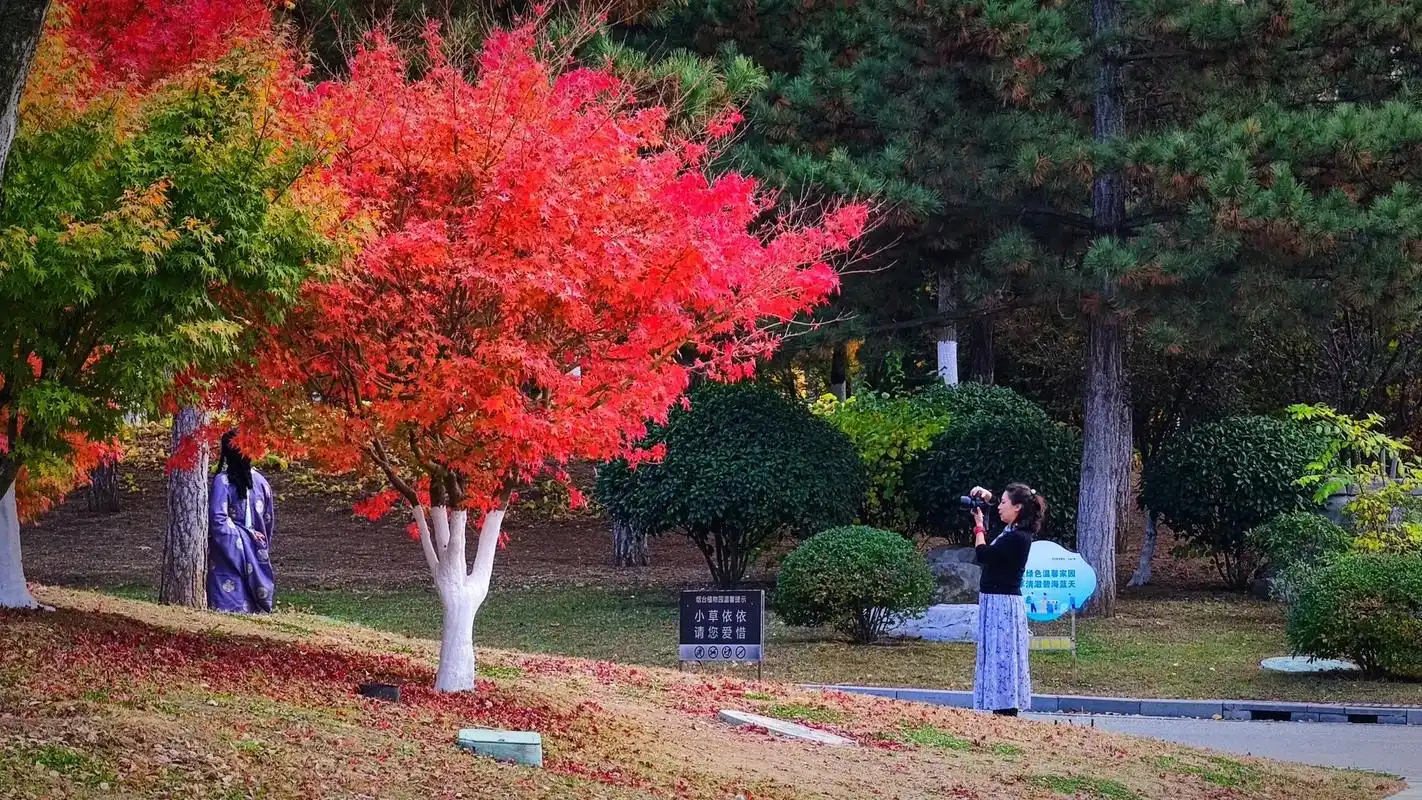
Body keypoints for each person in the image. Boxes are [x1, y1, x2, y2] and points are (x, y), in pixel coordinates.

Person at [967, 482, 1043, 717]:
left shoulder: (1017, 537)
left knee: (1004, 656)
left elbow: (983, 555)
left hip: (1003, 604)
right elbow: (1000, 508)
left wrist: (979, 527)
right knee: (998, 655)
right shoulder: (1015, 530)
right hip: (996, 601)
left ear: (1017, 507)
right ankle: (1000, 705)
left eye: (1003, 503)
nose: (999, 507)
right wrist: (988, 498)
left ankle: (1006, 708)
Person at [207, 430, 277, 613]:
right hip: (254, 551)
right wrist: (256, 543)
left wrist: (241, 541)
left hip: (225, 553)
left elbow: (217, 520)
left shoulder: (222, 482)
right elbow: (267, 525)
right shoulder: (262, 482)